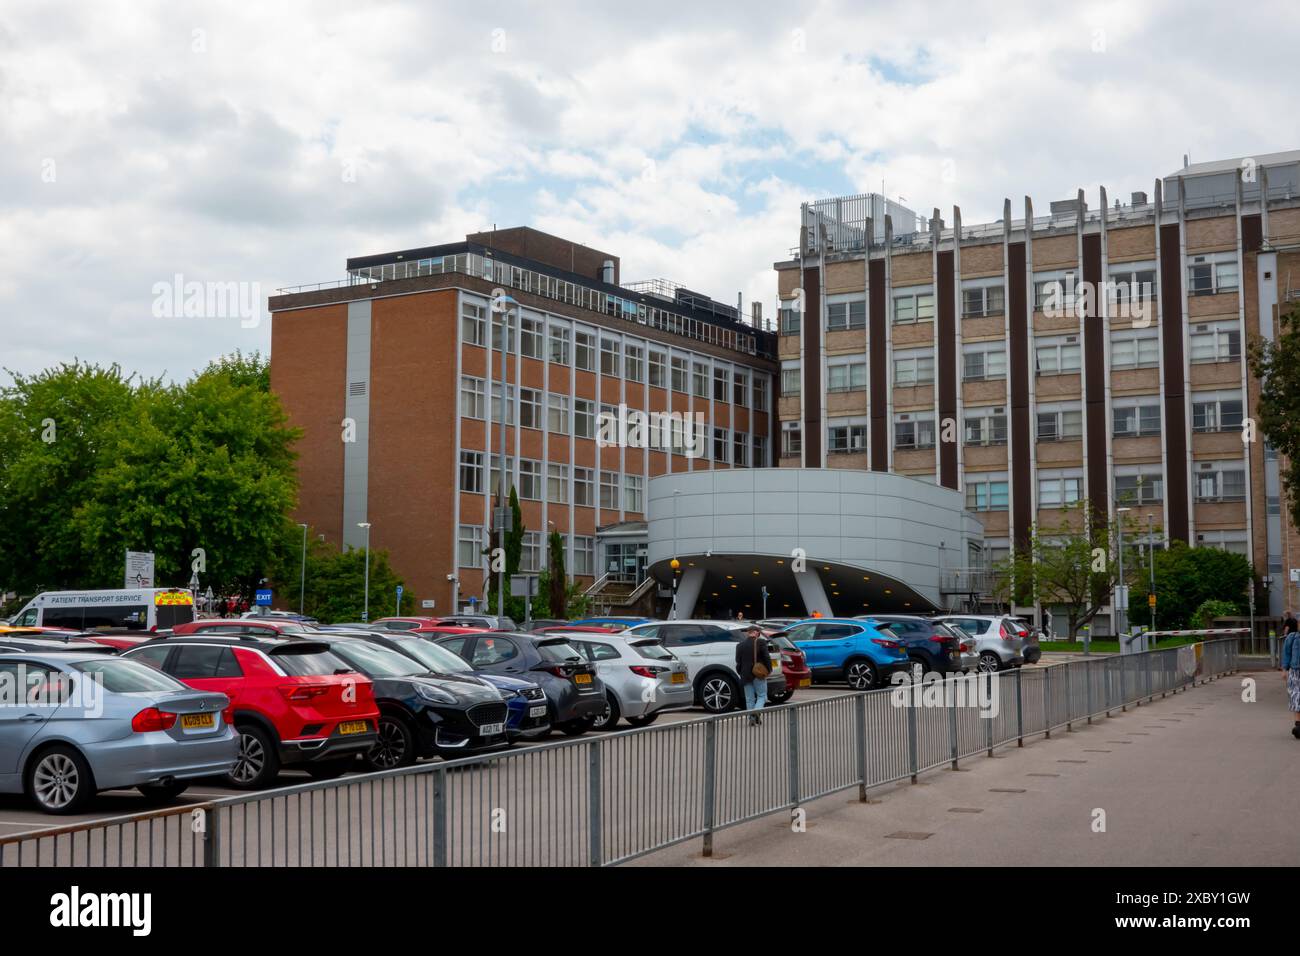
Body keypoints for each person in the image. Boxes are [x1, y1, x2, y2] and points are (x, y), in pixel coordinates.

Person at [734, 624, 771, 725]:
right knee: (762, 696)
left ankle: (751, 718)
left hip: (745, 675)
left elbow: (738, 662)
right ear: (757, 632)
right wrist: (769, 670)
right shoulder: (761, 642)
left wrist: (741, 673)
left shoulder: (740, 645)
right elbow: (766, 658)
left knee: (749, 699)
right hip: (758, 673)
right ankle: (756, 713)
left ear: (747, 633)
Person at [1283, 615, 1300, 739]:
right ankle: (1298, 725)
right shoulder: (1292, 637)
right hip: (1295, 671)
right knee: (1295, 696)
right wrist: (1284, 670)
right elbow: (1287, 653)